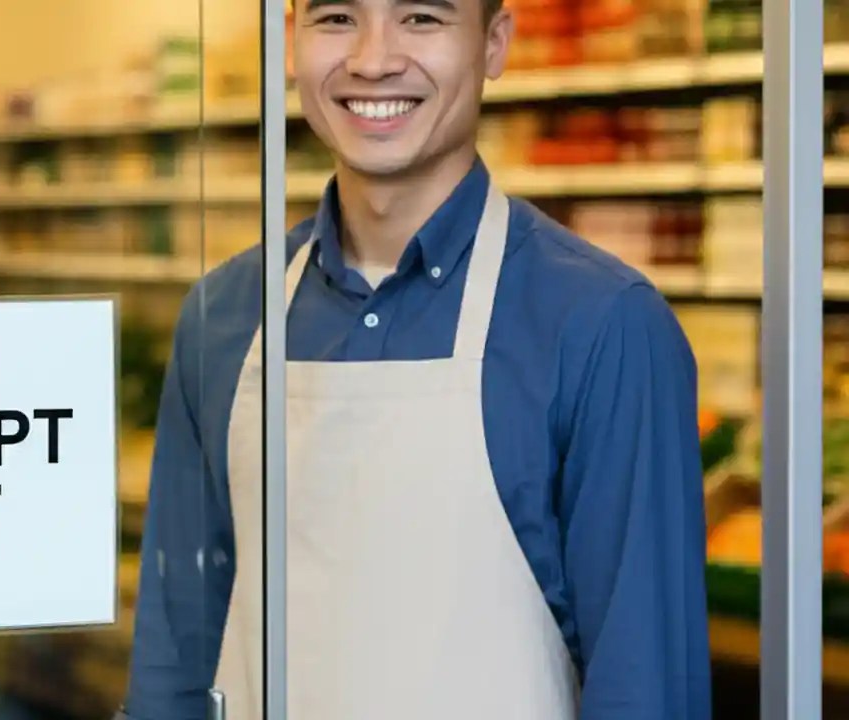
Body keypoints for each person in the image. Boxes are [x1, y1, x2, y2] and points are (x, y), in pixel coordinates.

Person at [118, 0, 712, 718]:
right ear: (290, 41)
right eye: (336, 17)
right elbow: (173, 666)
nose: (373, 59)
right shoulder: (222, 319)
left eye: (422, 18)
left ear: (493, 44)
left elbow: (645, 690)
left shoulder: (603, 328)